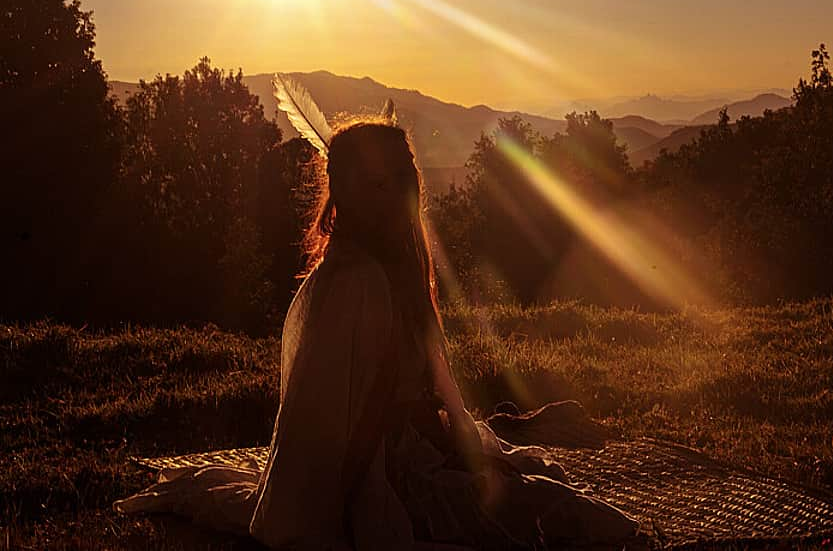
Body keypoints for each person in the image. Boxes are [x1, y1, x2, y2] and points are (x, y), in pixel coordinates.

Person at [115, 119, 639, 550]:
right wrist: (357, 510)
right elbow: (361, 420)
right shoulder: (359, 284)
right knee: (577, 519)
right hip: (389, 477)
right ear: (346, 193)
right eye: (377, 184)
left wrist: (468, 442)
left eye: (402, 176)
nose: (395, 194)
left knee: (556, 499)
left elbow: (424, 388)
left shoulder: (392, 267)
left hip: (412, 458)